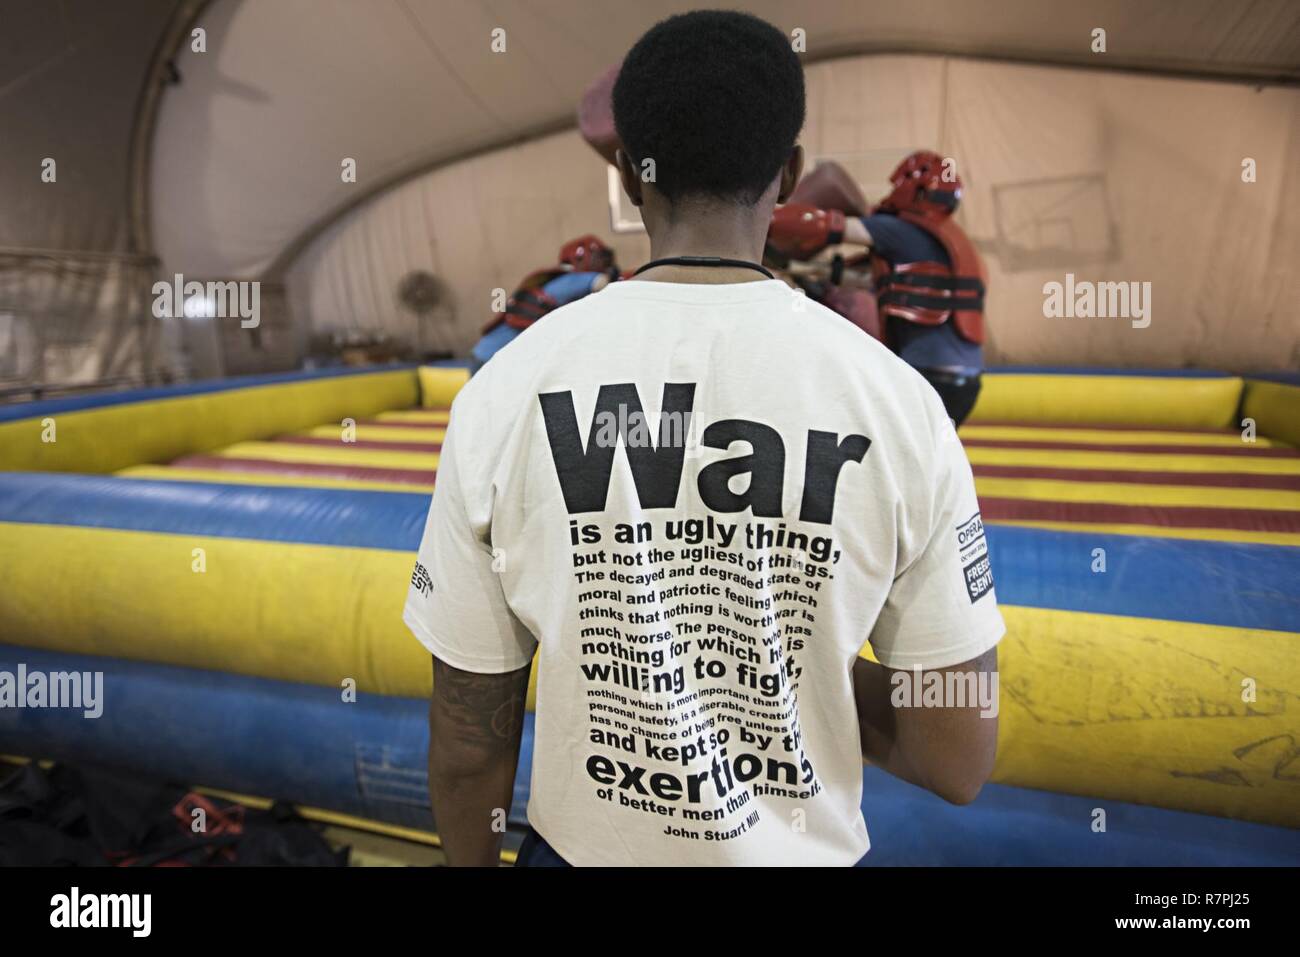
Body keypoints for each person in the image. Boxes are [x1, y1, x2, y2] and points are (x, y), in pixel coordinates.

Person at [404, 10, 1003, 867]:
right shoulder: (902, 407)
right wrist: (793, 671)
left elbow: (468, 738)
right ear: (789, 173)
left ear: (625, 171)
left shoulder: (507, 389)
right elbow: (956, 753)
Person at [767, 151, 989, 424]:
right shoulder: (955, 244)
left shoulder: (899, 230)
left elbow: (828, 227)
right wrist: (808, 276)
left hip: (926, 377)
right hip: (968, 381)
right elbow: (873, 279)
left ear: (915, 190)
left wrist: (764, 223)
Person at [470, 234, 619, 372]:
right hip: (491, 360)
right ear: (581, 258)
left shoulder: (554, 281)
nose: (605, 264)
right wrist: (619, 277)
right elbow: (601, 283)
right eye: (600, 259)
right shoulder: (570, 281)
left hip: (487, 356)